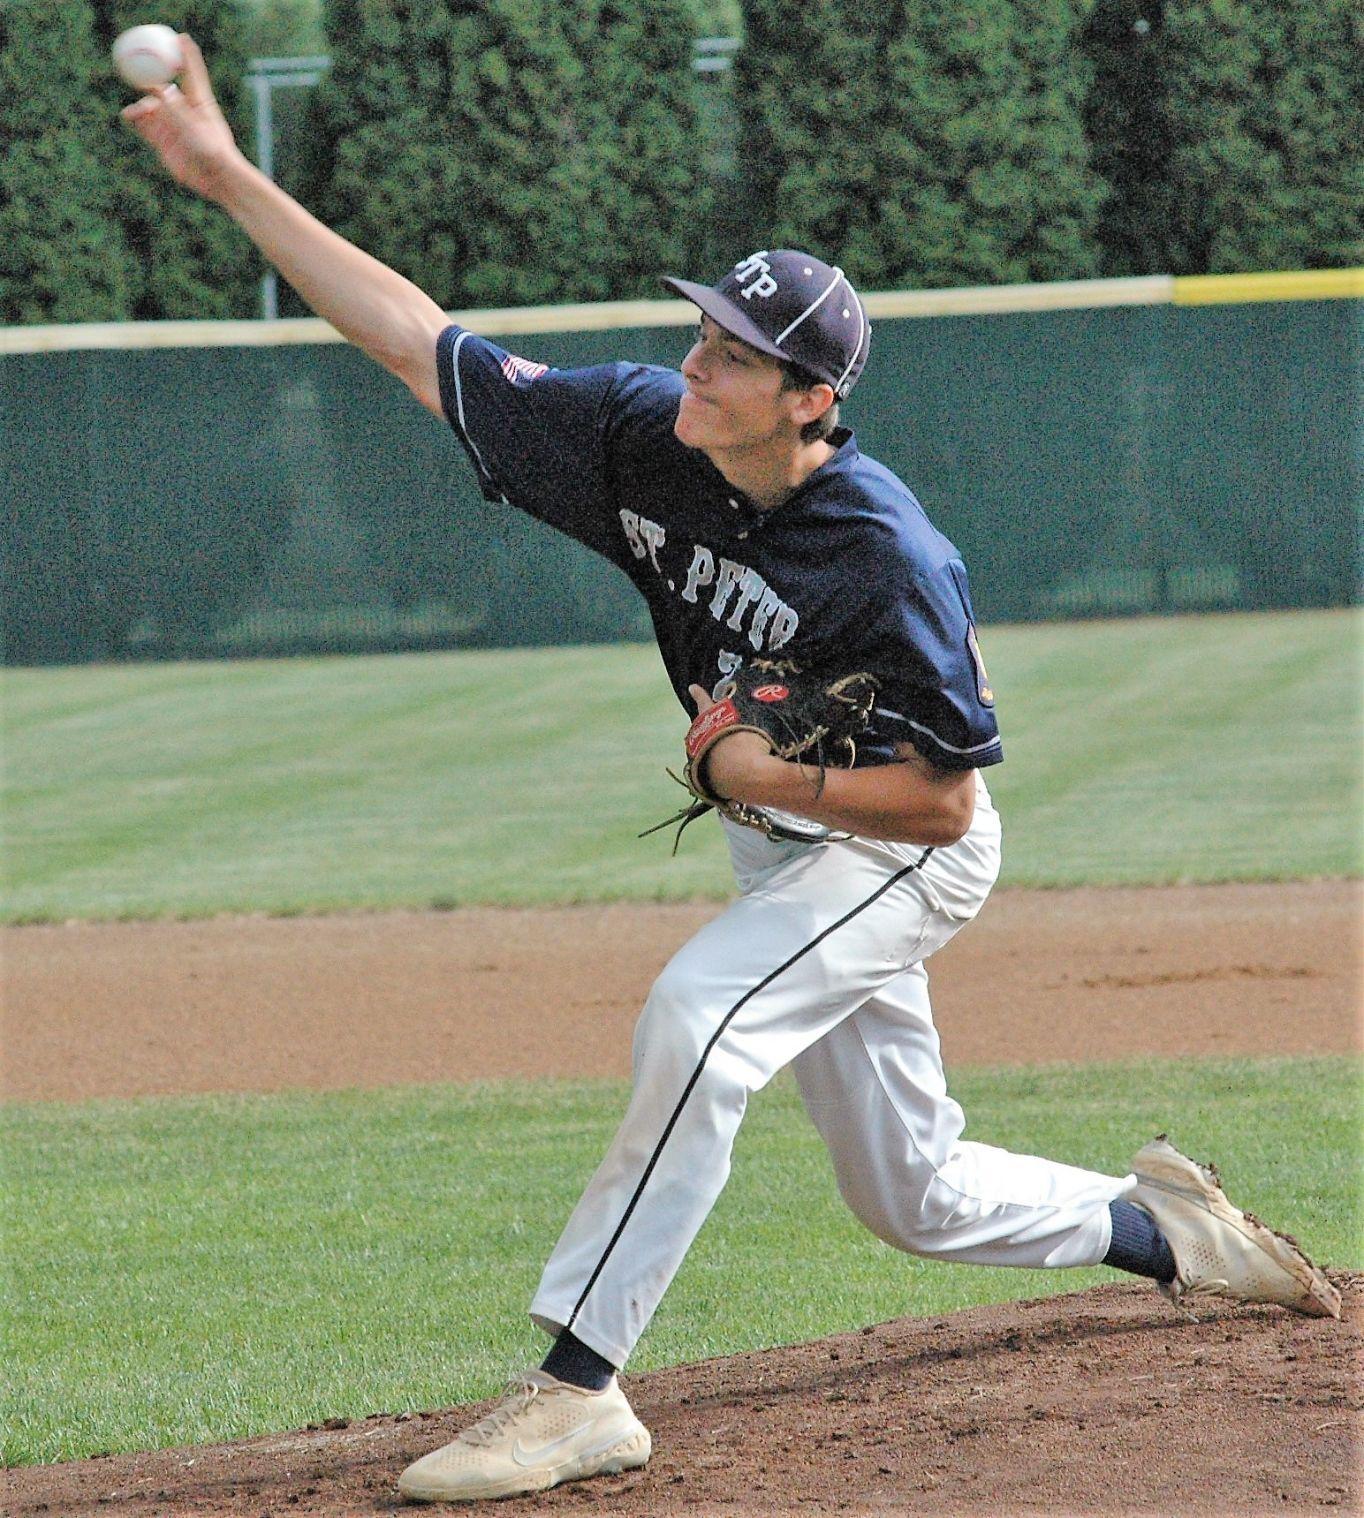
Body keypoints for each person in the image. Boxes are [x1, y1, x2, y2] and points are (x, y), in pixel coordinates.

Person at [124, 38, 1340, 1506]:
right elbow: (414, 341)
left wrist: (773, 780)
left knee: (700, 1018)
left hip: (897, 850)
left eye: (736, 355)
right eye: (702, 334)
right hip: (791, 841)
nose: (698, 364)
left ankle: (577, 1389)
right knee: (910, 1194)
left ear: (809, 397)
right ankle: (1171, 1232)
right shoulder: (644, 432)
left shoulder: (888, 556)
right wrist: (227, 176)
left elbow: (947, 801)